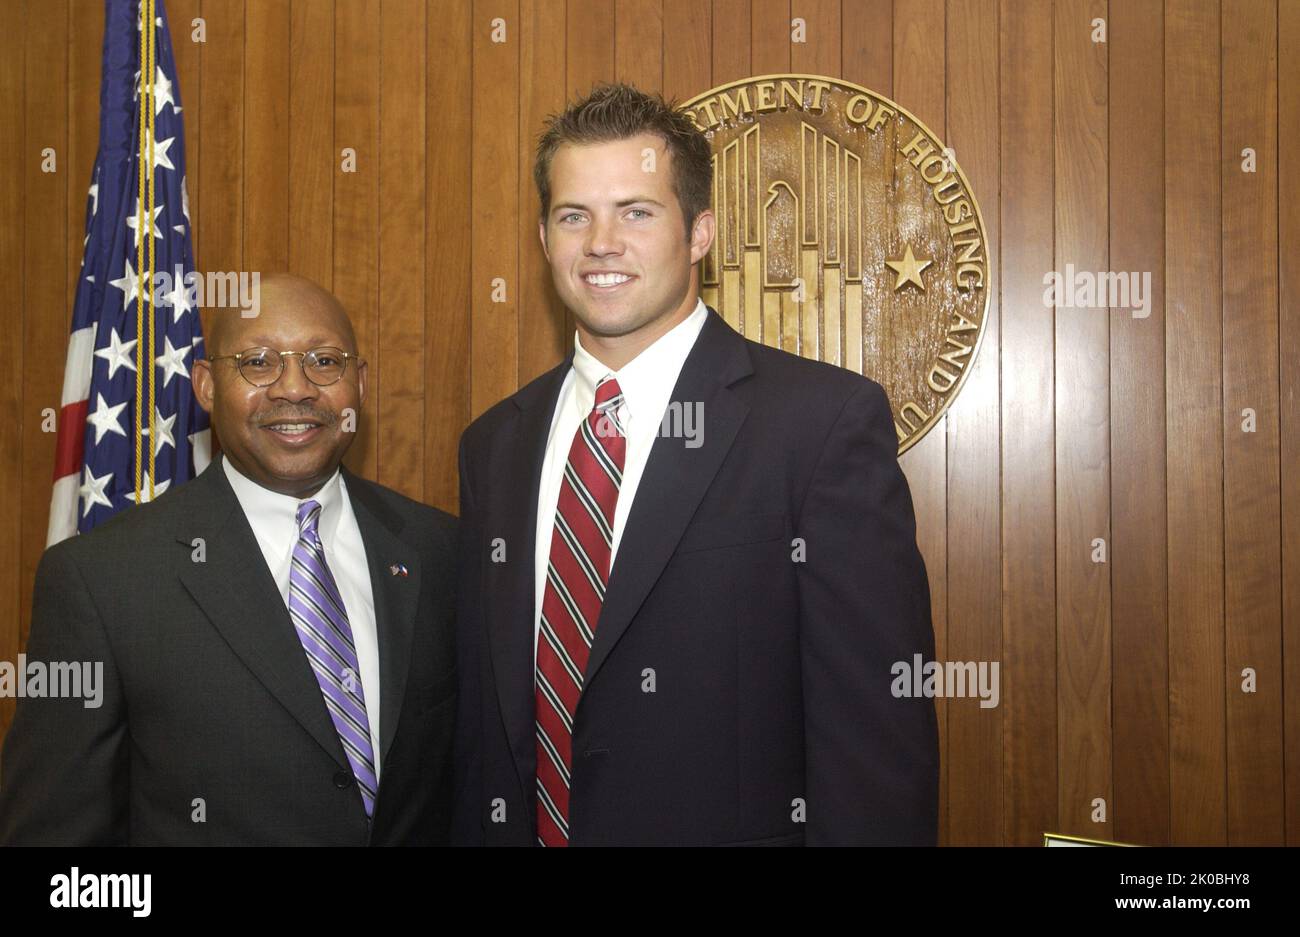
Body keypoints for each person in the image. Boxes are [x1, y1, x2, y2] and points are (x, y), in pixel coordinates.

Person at [452, 83, 939, 846]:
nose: (601, 242)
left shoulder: (817, 427)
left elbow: (877, 750)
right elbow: (485, 727)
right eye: (573, 215)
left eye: (637, 212)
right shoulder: (495, 446)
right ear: (545, 239)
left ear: (701, 232)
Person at [0, 274, 457, 845]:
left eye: (324, 361)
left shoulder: (441, 552)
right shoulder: (99, 581)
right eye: (258, 362)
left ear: (359, 384)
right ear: (207, 386)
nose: (295, 388)